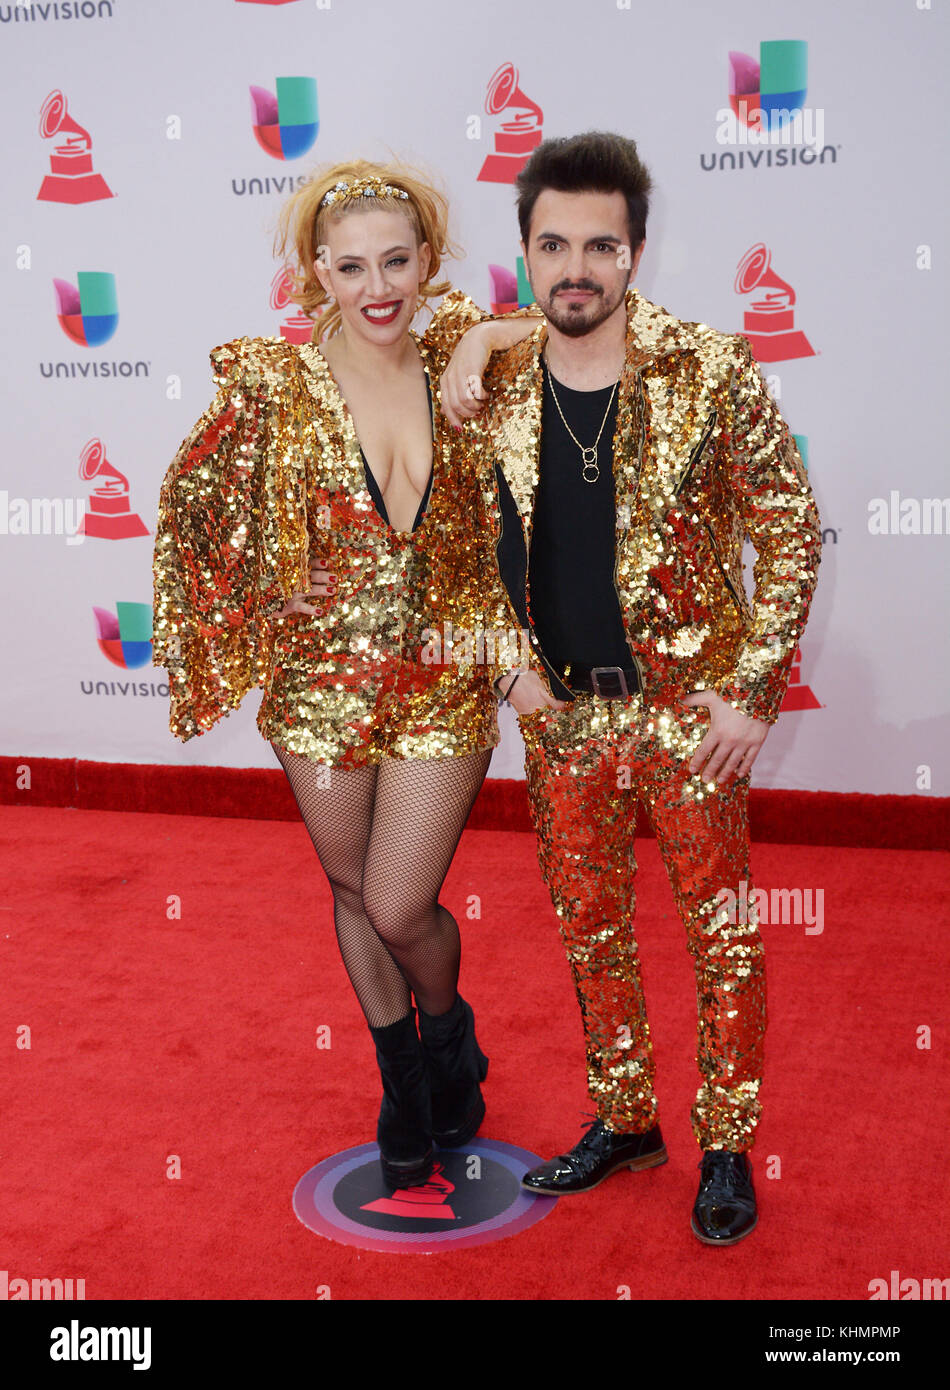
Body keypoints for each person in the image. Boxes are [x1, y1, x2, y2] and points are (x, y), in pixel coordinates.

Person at [441, 131, 822, 1244]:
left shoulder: (706, 367)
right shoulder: (495, 383)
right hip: (559, 717)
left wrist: (753, 690)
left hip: (685, 711)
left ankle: (725, 1141)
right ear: (522, 252)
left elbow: (789, 526)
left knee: (721, 933)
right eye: (551, 243)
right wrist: (505, 668)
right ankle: (625, 1119)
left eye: (598, 246)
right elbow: (462, 551)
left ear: (635, 253)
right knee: (589, 926)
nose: (575, 267)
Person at [152, 159, 538, 1191]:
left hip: (444, 674)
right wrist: (262, 585)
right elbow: (188, 511)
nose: (378, 287)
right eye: (353, 265)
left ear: (427, 262)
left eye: (397, 262)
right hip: (319, 683)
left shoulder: (466, 359)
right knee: (348, 888)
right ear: (315, 270)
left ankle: (448, 1031)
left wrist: (495, 329)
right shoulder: (276, 384)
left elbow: (582, 331)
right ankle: (402, 1075)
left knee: (400, 903)